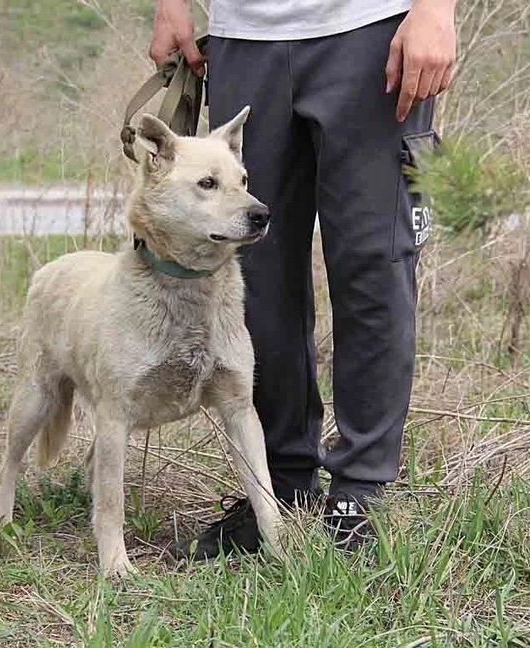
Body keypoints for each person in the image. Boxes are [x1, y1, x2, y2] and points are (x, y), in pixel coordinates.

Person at [149, 0, 458, 558]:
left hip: (374, 33)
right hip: (244, 41)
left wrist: (436, 10)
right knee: (254, 275)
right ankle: (281, 483)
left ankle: (360, 494)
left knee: (373, 269)